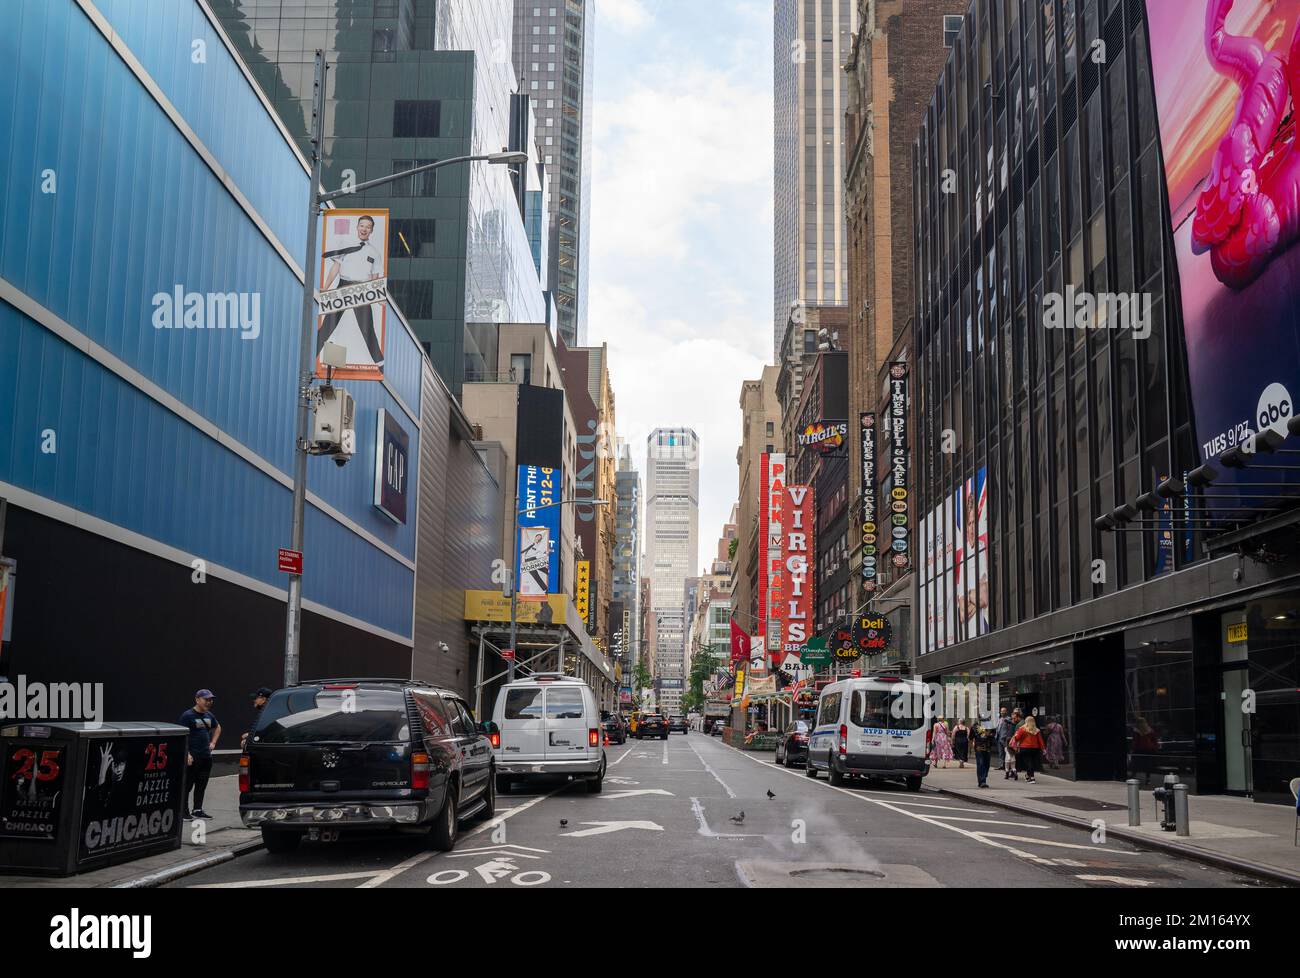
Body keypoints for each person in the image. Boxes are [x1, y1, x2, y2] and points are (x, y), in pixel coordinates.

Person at [316, 214, 385, 366]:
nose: (364, 229)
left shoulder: (375, 252)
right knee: (328, 325)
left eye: (368, 227)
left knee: (367, 328)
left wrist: (378, 297)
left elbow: (374, 278)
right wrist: (326, 287)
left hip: (361, 290)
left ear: (371, 230)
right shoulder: (346, 244)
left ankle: (380, 364)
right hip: (343, 286)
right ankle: (312, 352)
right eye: (362, 225)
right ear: (357, 227)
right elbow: (336, 267)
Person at [180, 689, 221, 820]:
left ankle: (197, 809)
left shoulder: (209, 715)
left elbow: (218, 727)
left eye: (210, 700)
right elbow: (182, 736)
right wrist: (187, 754)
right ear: (197, 700)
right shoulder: (187, 716)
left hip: (206, 757)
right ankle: (183, 811)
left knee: (201, 785)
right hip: (193, 757)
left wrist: (213, 743)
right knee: (187, 785)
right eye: (206, 699)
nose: (209, 702)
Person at [1010, 715, 1046, 784]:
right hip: (1035, 749)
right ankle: (1028, 776)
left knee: (1028, 763)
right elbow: (1040, 740)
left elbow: (1017, 738)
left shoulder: (1022, 729)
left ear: (1026, 721)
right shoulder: (1037, 730)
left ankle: (1032, 778)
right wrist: (1043, 748)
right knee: (1031, 762)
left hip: (1025, 748)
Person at [241, 687, 273, 751]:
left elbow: (268, 731)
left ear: (263, 699)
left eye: (256, 698)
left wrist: (250, 736)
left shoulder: (268, 712)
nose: (254, 700)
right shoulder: (265, 711)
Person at [971, 717, 995, 788]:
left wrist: (990, 735)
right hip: (979, 748)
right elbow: (971, 737)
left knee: (987, 765)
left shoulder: (991, 725)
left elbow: (994, 733)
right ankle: (982, 781)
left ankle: (983, 776)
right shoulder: (975, 726)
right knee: (981, 764)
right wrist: (972, 747)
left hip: (988, 748)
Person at [994, 707, 1014, 771]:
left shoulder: (1008, 719)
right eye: (1001, 711)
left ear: (1006, 712)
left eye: (1003, 711)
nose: (1002, 712)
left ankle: (1008, 767)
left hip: (1005, 738)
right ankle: (1001, 765)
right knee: (1000, 753)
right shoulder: (1000, 719)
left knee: (1007, 752)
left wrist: (1007, 736)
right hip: (999, 738)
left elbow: (1010, 729)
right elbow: (998, 728)